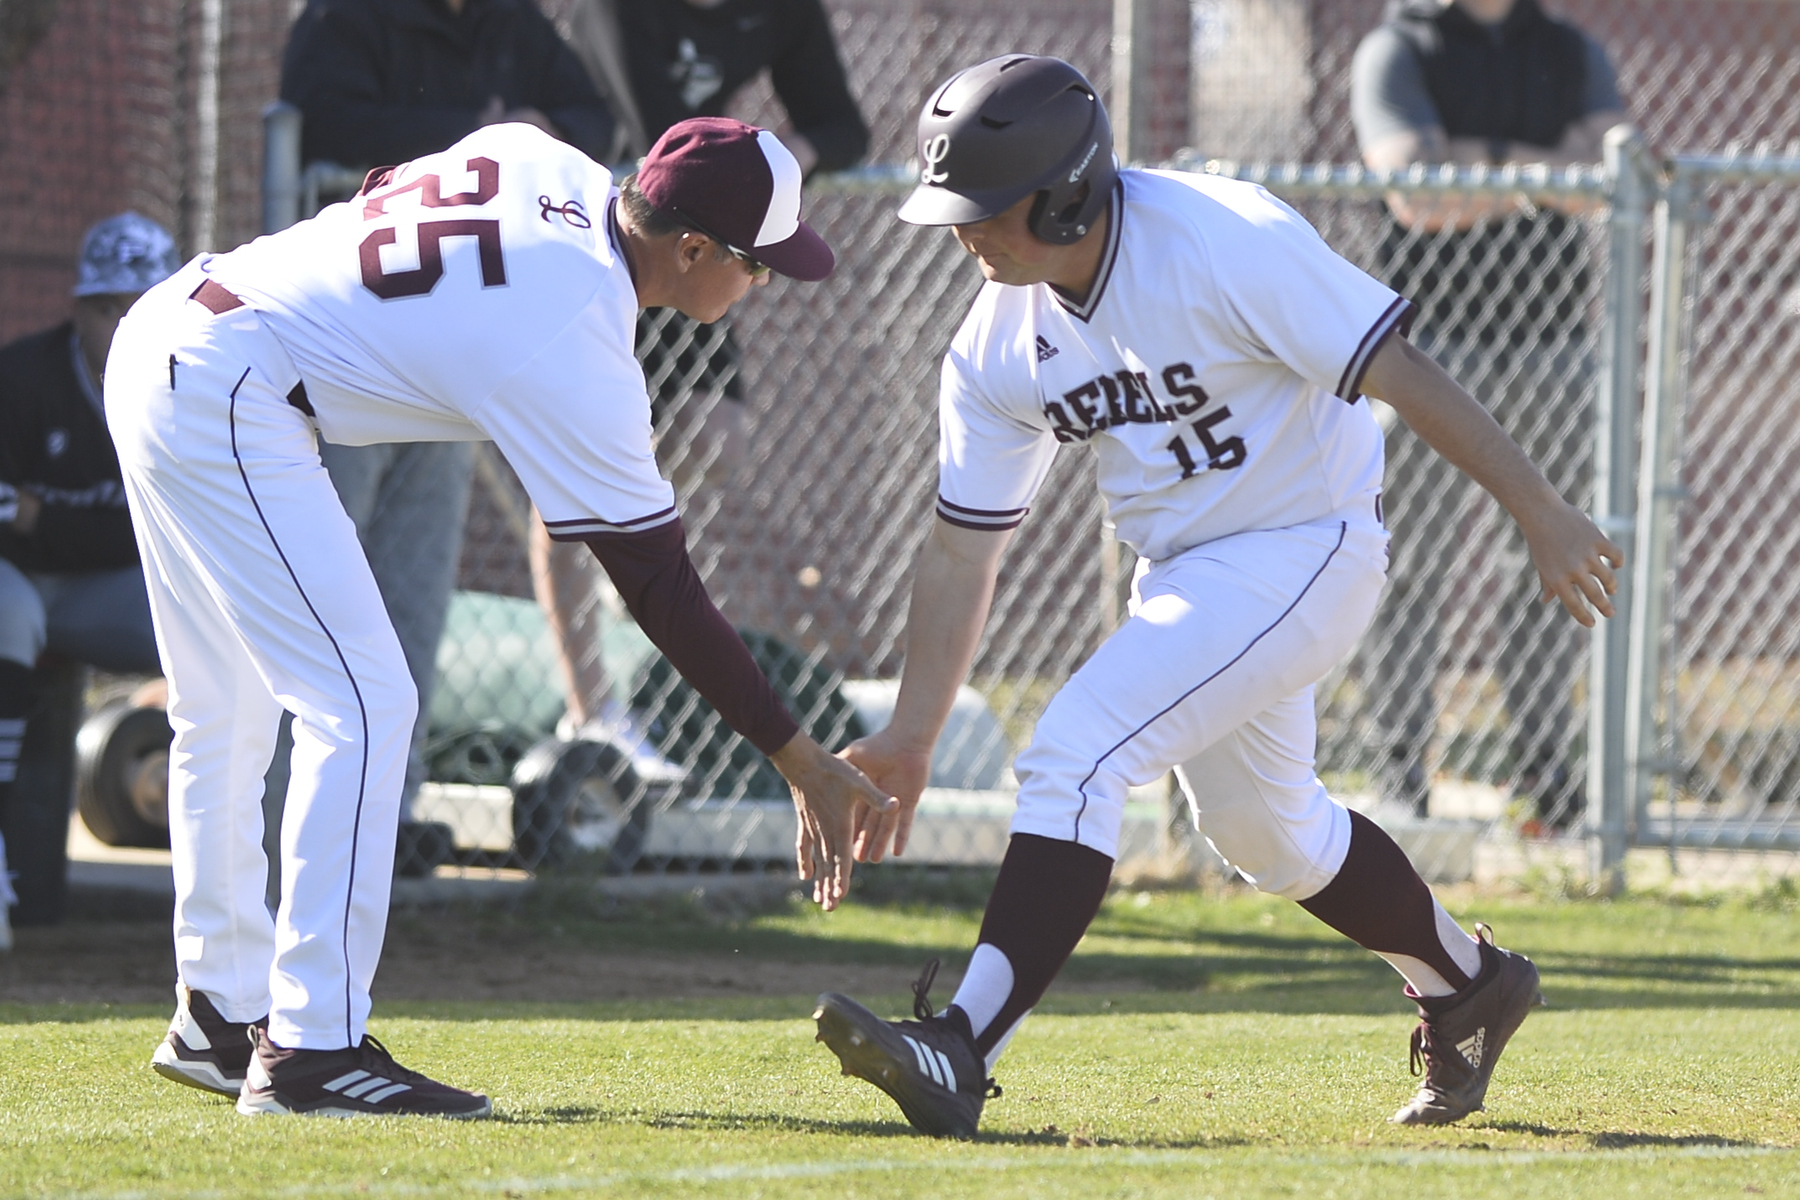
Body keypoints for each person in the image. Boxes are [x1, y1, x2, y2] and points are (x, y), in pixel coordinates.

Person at [810, 56, 1622, 1136]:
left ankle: (960, 1044)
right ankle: (1468, 984)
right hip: (1191, 576)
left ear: (1065, 193)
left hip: (1308, 541)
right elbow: (964, 549)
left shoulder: (1219, 235)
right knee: (1267, 832)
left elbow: (1403, 373)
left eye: (986, 208)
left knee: (1079, 749)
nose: (964, 233)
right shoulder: (998, 340)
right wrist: (911, 734)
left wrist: (1540, 509)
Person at [110, 117, 894, 1117]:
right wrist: (799, 756)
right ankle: (309, 1050)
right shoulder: (582, 337)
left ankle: (221, 1013)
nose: (762, 287)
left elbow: (386, 186)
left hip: (165, 331)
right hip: (233, 386)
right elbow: (661, 593)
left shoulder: (545, 157)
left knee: (223, 710)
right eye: (757, 266)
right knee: (363, 701)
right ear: (692, 249)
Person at [279, 0, 620, 872]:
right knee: (319, 590)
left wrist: (532, 132)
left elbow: (594, 118)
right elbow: (320, 115)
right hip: (339, 349)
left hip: (445, 357)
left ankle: (385, 816)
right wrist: (480, 135)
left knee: (414, 595)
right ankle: (289, 818)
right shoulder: (345, 20)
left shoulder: (515, 25)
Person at [532, 0, 871, 738]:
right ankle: (590, 711)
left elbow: (845, 126)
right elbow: (663, 138)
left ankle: (623, 532)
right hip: (619, 242)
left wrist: (785, 170)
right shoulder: (615, 13)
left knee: (715, 437)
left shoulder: (780, 13)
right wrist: (752, 173)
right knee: (566, 482)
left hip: (700, 248)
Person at [1350, 0, 1630, 821]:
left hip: (1553, 345)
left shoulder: (1569, 47)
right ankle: (1400, 771)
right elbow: (1416, 191)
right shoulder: (1398, 47)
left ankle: (1543, 772)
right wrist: (1542, 177)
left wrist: (1480, 172)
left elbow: (1605, 174)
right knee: (1406, 564)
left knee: (1557, 558)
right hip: (1427, 354)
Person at [0, 213, 177, 941]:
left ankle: (248, 881)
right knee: (5, 614)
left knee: (227, 632)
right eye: (108, 308)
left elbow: (170, 533)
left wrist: (47, 519)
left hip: (115, 587)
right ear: (78, 310)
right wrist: (42, 525)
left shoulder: (189, 384)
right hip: (20, 581)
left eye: (142, 308)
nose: (124, 325)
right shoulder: (21, 376)